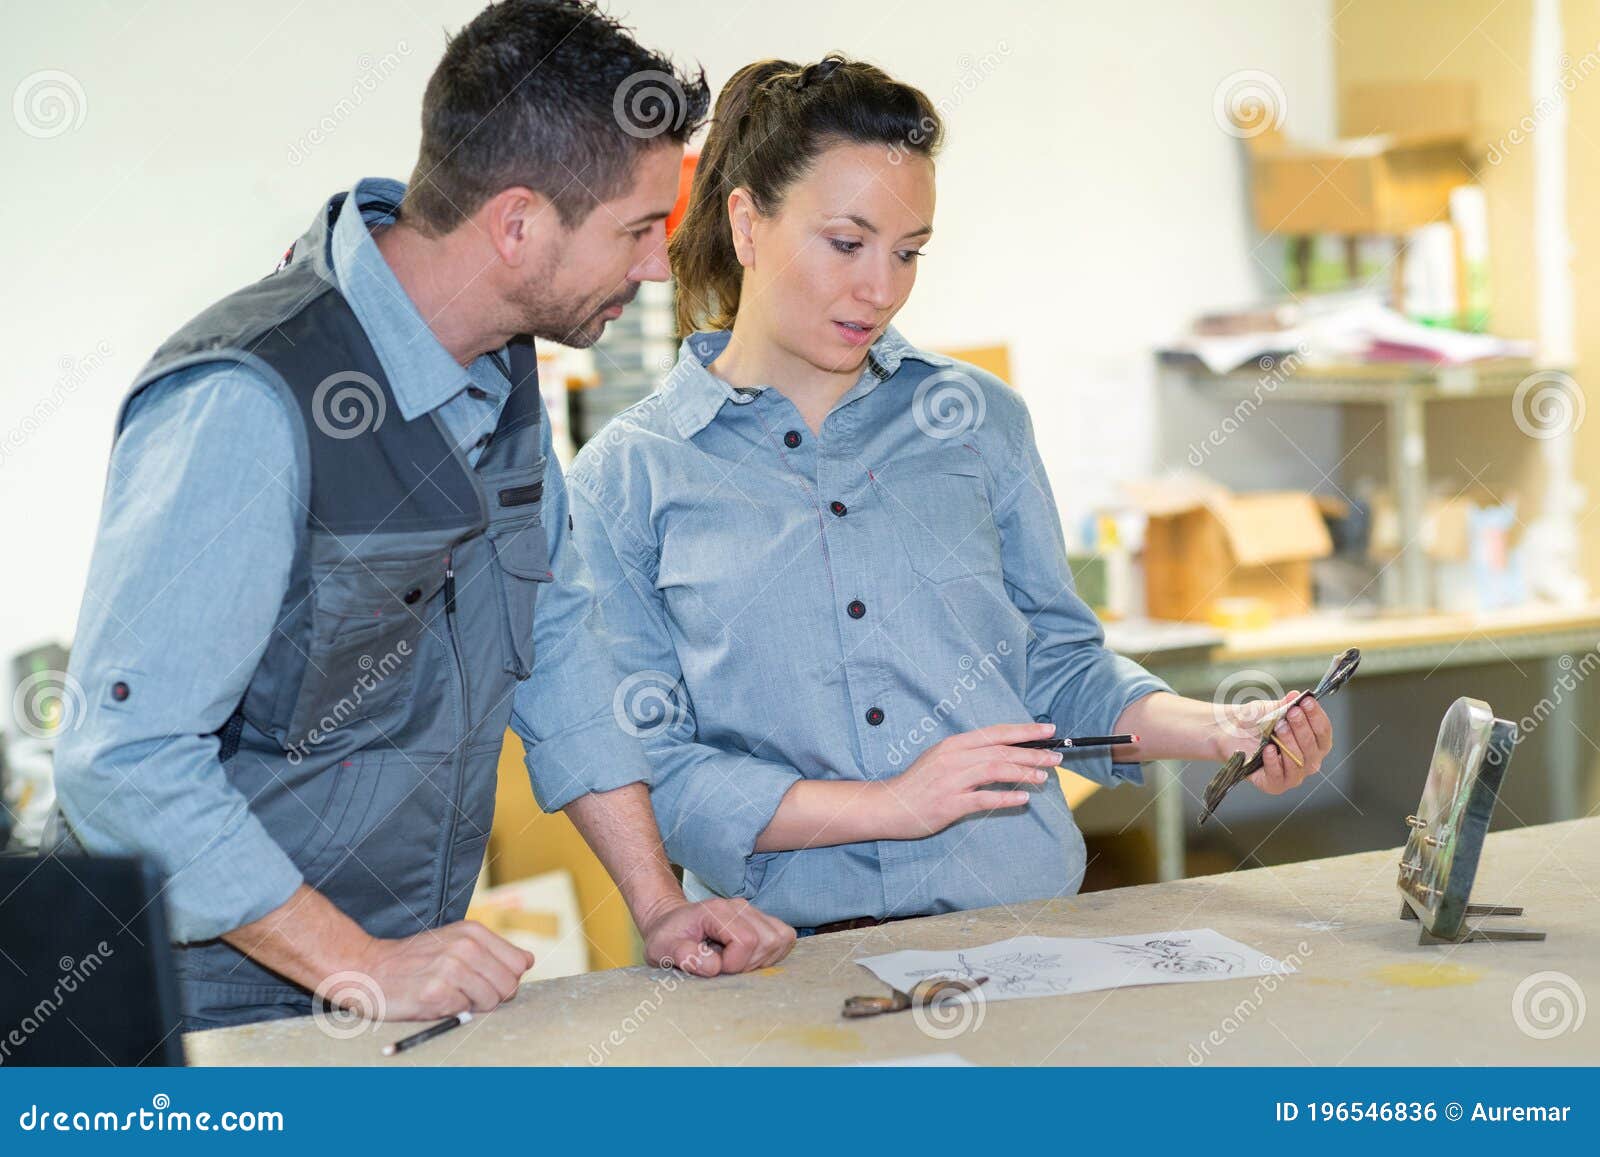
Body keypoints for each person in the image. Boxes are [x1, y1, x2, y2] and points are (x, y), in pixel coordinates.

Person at [49, 0, 794, 1030]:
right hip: (183, 1003)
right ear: (519, 222)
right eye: (635, 230)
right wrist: (360, 961)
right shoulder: (251, 398)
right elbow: (120, 760)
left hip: (366, 987)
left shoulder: (501, 373)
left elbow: (560, 639)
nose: (657, 266)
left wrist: (659, 901)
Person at [566, 56, 1335, 935]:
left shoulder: (976, 422)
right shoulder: (627, 478)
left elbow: (1060, 667)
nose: (881, 289)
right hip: (780, 962)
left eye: (909, 252)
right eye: (847, 244)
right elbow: (649, 765)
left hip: (1022, 933)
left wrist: (1224, 729)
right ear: (747, 222)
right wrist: (891, 804)